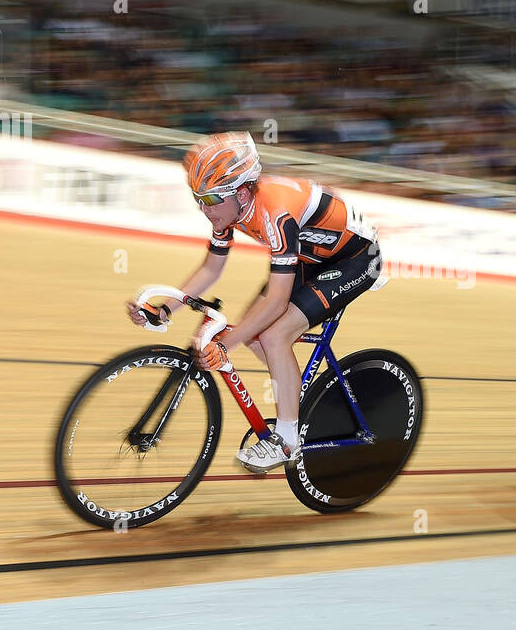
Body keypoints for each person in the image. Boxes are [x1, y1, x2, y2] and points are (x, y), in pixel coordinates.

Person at [126, 131, 381, 472]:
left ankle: (288, 439)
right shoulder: (230, 210)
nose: (204, 208)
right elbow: (212, 269)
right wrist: (164, 310)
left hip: (356, 260)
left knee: (273, 335)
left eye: (212, 199)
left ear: (242, 191)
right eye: (198, 198)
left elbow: (276, 304)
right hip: (311, 255)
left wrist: (225, 345)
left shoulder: (275, 214)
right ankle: (297, 398)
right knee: (256, 333)